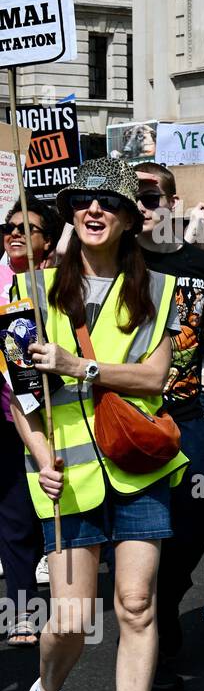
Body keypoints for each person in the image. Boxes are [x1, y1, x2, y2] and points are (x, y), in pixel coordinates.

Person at [10, 159, 189, 691]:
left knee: (136, 605)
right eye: (83, 200)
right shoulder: (31, 289)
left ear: (128, 218)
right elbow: (19, 394)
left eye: (107, 203)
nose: (94, 210)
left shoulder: (160, 289)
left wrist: (77, 366)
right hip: (68, 477)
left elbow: (152, 379)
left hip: (140, 468)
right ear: (69, 213)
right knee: (71, 618)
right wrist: (39, 456)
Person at [132, 163, 204, 691]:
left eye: (153, 198)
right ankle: (154, 641)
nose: (145, 208)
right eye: (136, 199)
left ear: (173, 202)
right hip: (128, 415)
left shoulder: (200, 263)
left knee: (191, 526)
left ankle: (166, 598)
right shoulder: (118, 260)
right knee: (141, 530)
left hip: (187, 417)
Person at [1, 203, 62, 647]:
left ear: (47, 240)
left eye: (28, 229)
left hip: (32, 411)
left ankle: (23, 609)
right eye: (10, 228)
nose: (16, 234)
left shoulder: (59, 285)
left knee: (18, 515)